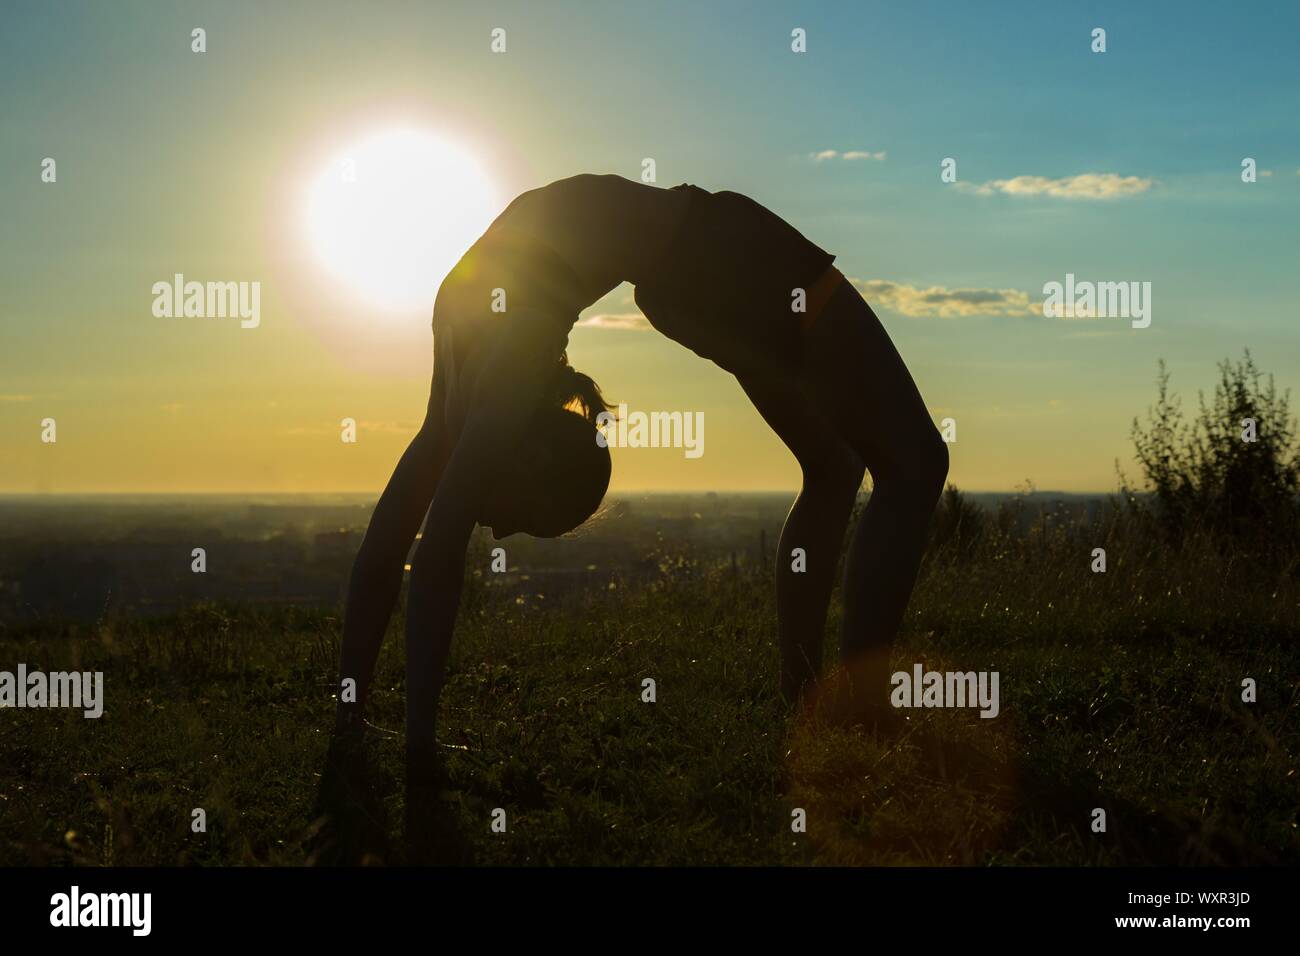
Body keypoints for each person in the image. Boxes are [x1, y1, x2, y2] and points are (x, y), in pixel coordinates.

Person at [331, 172, 948, 787]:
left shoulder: (476, 382)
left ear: (535, 460)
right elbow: (415, 549)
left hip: (692, 278)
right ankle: (859, 716)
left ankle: (810, 705)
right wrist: (399, 741)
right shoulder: (498, 371)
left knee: (835, 467)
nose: (496, 531)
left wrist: (371, 730)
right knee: (916, 463)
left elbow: (408, 548)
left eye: (518, 520)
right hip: (718, 252)